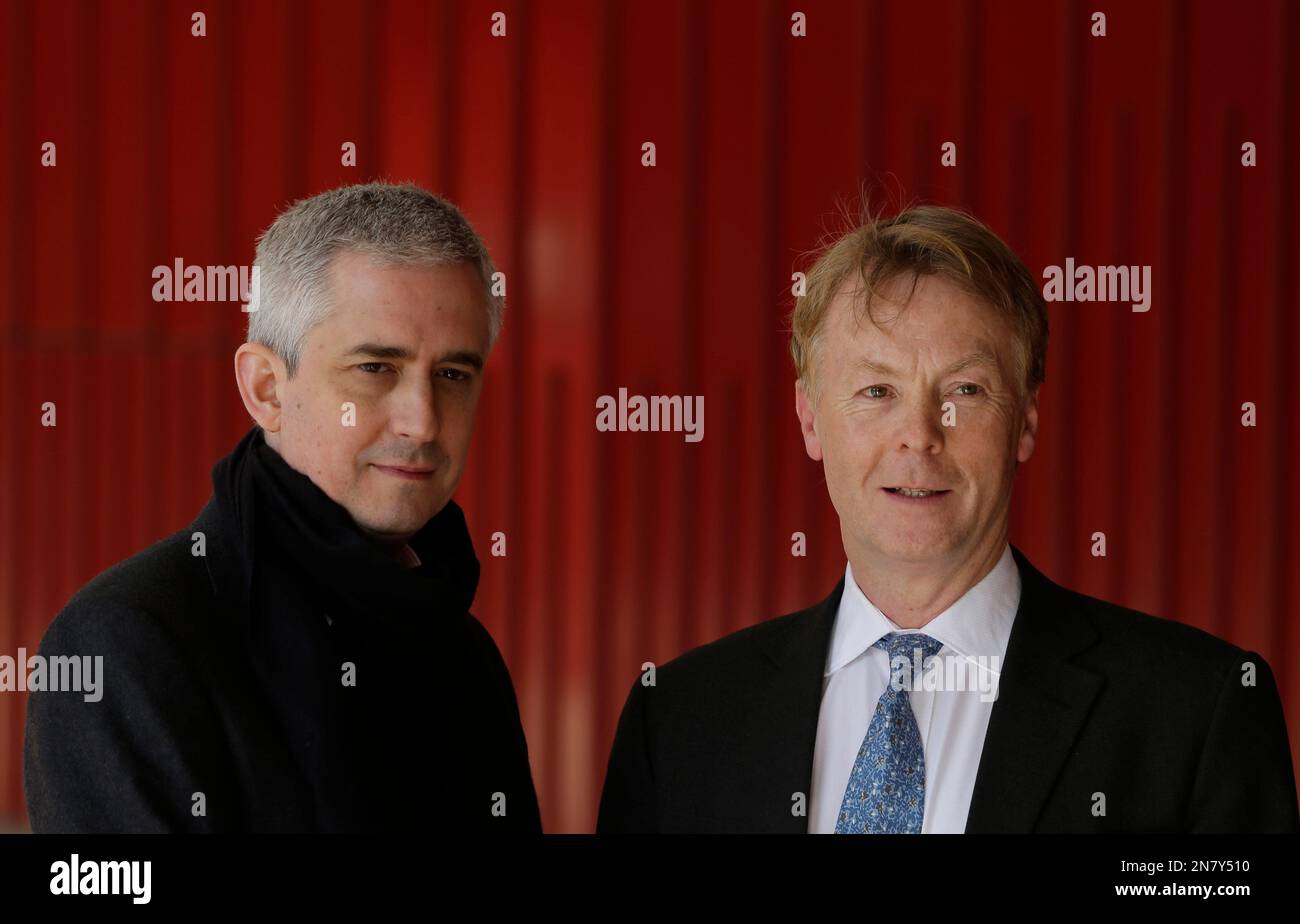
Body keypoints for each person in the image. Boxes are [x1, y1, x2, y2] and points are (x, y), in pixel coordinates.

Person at [597, 203, 1299, 833]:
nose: (921, 435)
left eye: (966, 388)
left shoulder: (1199, 715)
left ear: (1024, 420)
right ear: (809, 419)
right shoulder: (680, 722)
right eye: (877, 390)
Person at [25, 182, 542, 832]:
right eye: (376, 368)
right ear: (267, 388)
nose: (423, 421)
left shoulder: (465, 660)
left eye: (453, 375)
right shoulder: (126, 644)